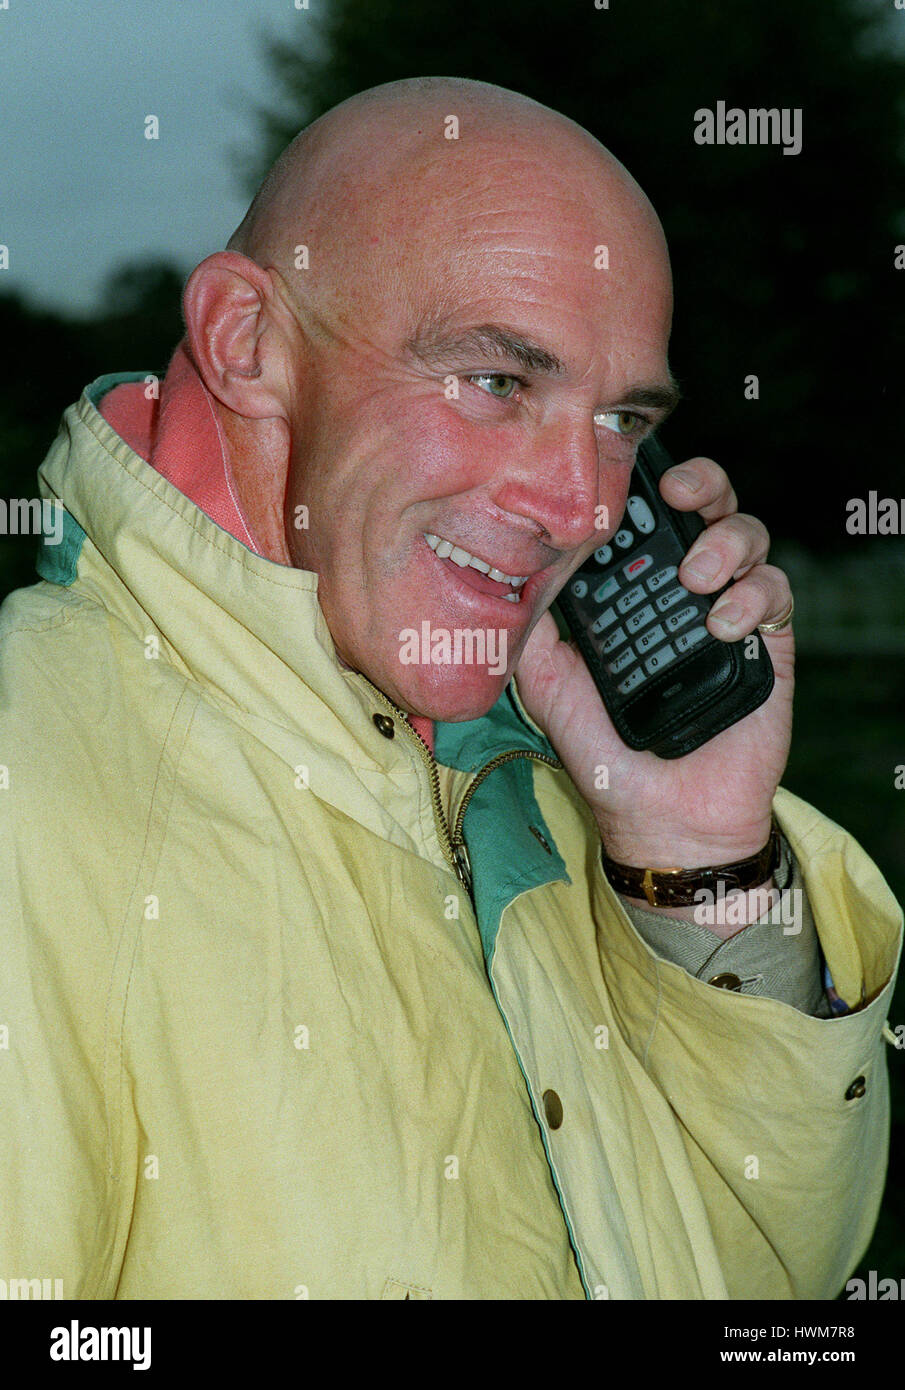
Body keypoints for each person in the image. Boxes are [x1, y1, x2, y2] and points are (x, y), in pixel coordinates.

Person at [0, 76, 900, 1301]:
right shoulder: (31, 777)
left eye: (622, 418)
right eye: (497, 382)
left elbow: (761, 1277)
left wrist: (695, 860)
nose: (582, 506)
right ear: (244, 343)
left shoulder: (533, 773)